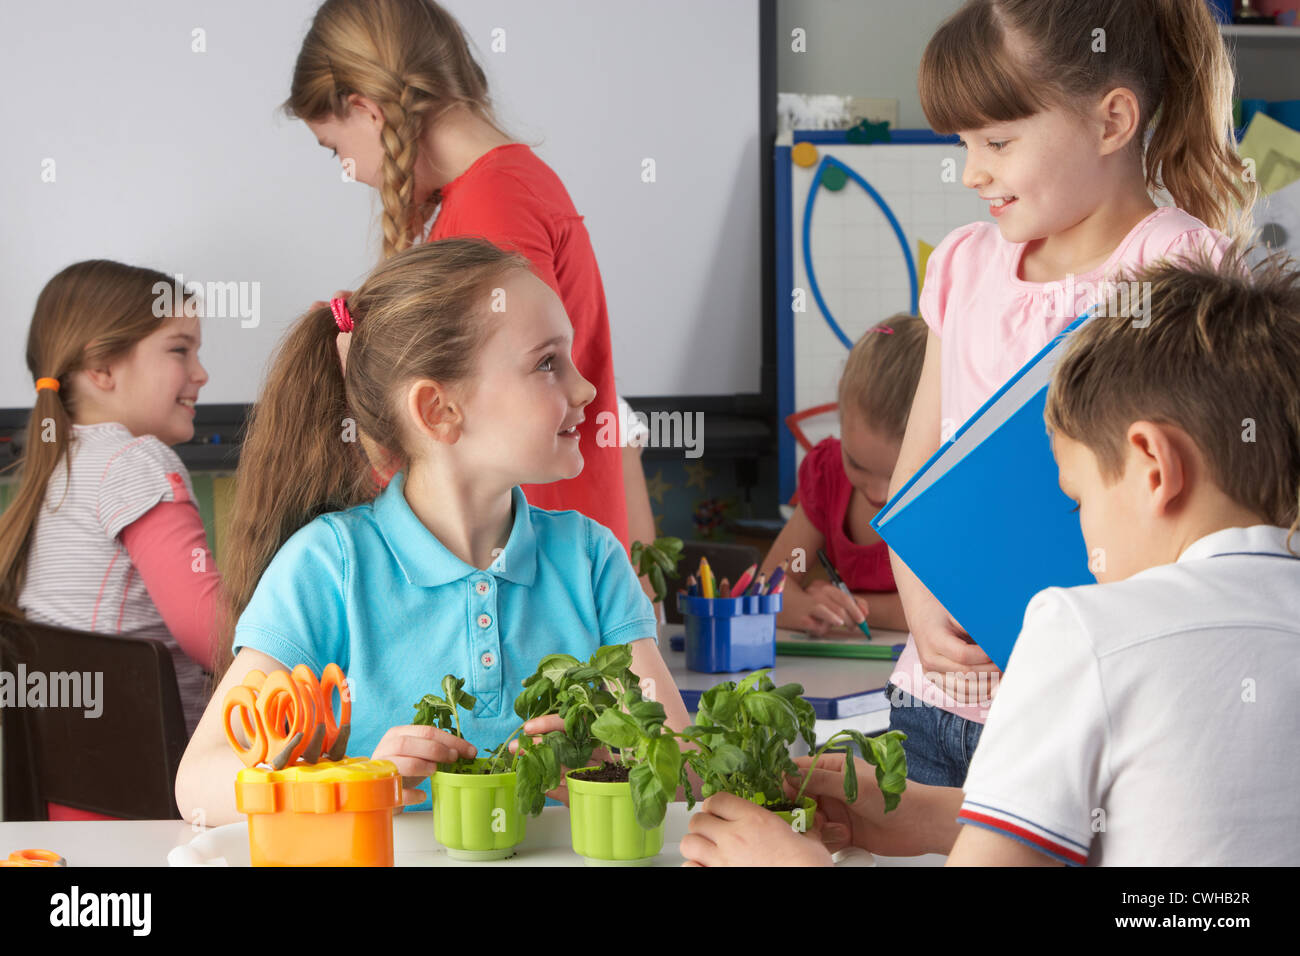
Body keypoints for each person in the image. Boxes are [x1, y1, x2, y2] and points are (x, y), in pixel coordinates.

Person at [681, 248, 1300, 866]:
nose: (1083, 538)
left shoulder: (1084, 631)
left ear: (1154, 467)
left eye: (1075, 501)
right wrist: (933, 821)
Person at [174, 238, 689, 826]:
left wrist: (622, 766)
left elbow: (688, 769)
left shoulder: (593, 559)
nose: (586, 389)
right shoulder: (328, 566)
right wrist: (363, 780)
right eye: (547, 363)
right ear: (438, 411)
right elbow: (198, 785)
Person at [886, 0, 1253, 787]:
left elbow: (1220, 508)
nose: (971, 170)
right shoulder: (961, 264)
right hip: (935, 701)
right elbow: (919, 466)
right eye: (963, 143)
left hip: (1093, 708)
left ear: (1112, 119)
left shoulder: (1179, 265)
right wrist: (917, 602)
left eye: (998, 141)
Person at [281, 0, 635, 550]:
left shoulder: (494, 208)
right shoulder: (499, 191)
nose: (349, 173)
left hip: (526, 567)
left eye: (336, 151)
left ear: (367, 111)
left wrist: (361, 375)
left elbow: (492, 420)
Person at [0, 260, 221, 740]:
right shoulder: (135, 462)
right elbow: (218, 641)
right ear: (101, 368)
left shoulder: (60, 468)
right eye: (180, 351)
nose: (201, 374)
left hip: (74, 790)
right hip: (156, 794)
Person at [759, 316, 925, 634]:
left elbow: (952, 614)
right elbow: (771, 584)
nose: (877, 494)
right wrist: (806, 605)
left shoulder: (945, 490)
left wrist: (855, 607)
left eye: (896, 476)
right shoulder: (828, 476)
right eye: (857, 465)